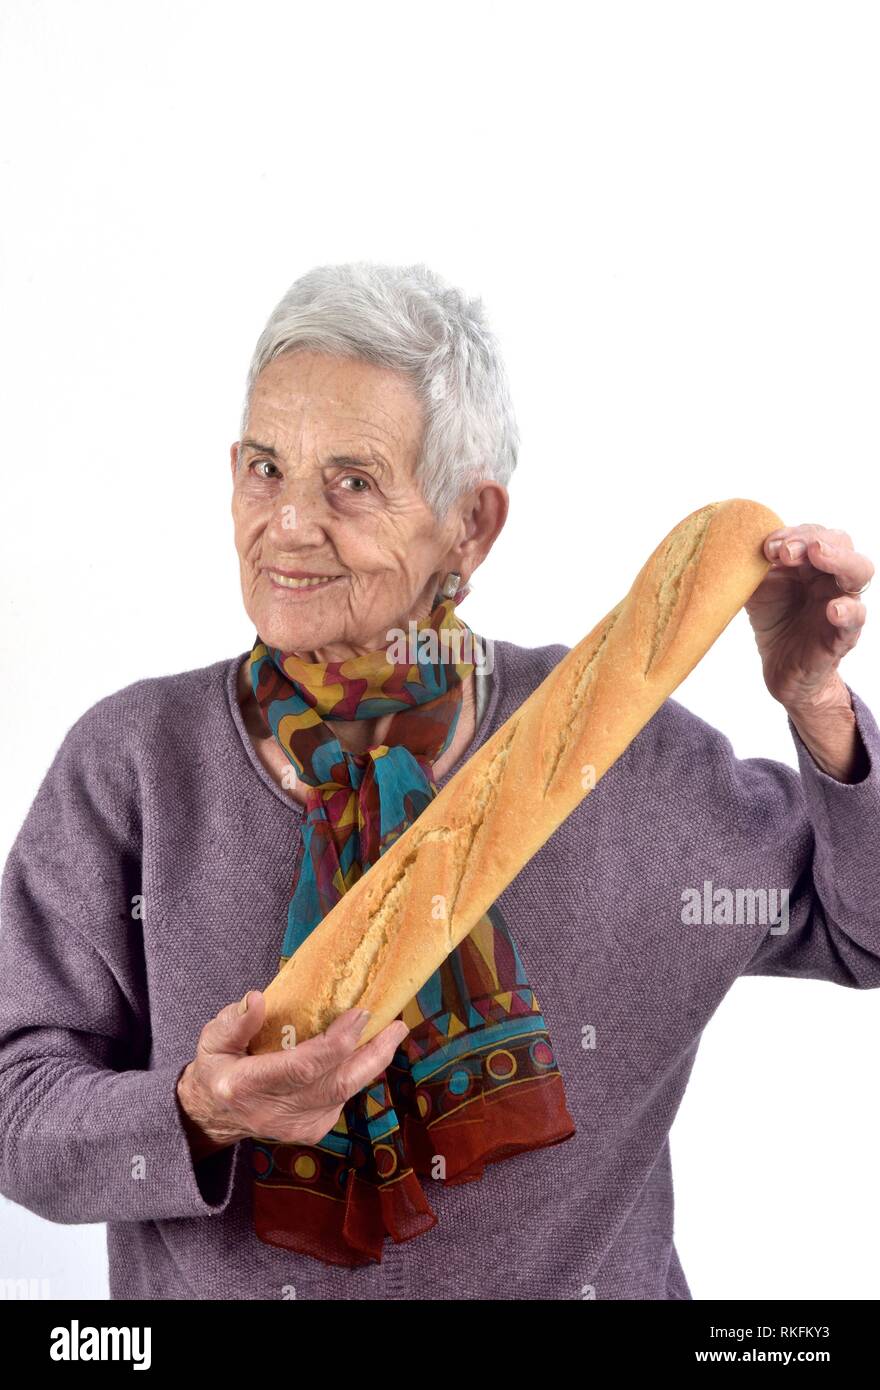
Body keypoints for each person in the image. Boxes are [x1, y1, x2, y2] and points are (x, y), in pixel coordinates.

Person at [0, 262, 876, 1299]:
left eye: (353, 482)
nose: (286, 523)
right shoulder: (134, 764)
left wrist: (815, 701)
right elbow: (18, 1111)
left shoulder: (626, 751)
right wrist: (200, 1110)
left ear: (470, 524)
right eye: (265, 468)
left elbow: (861, 931)